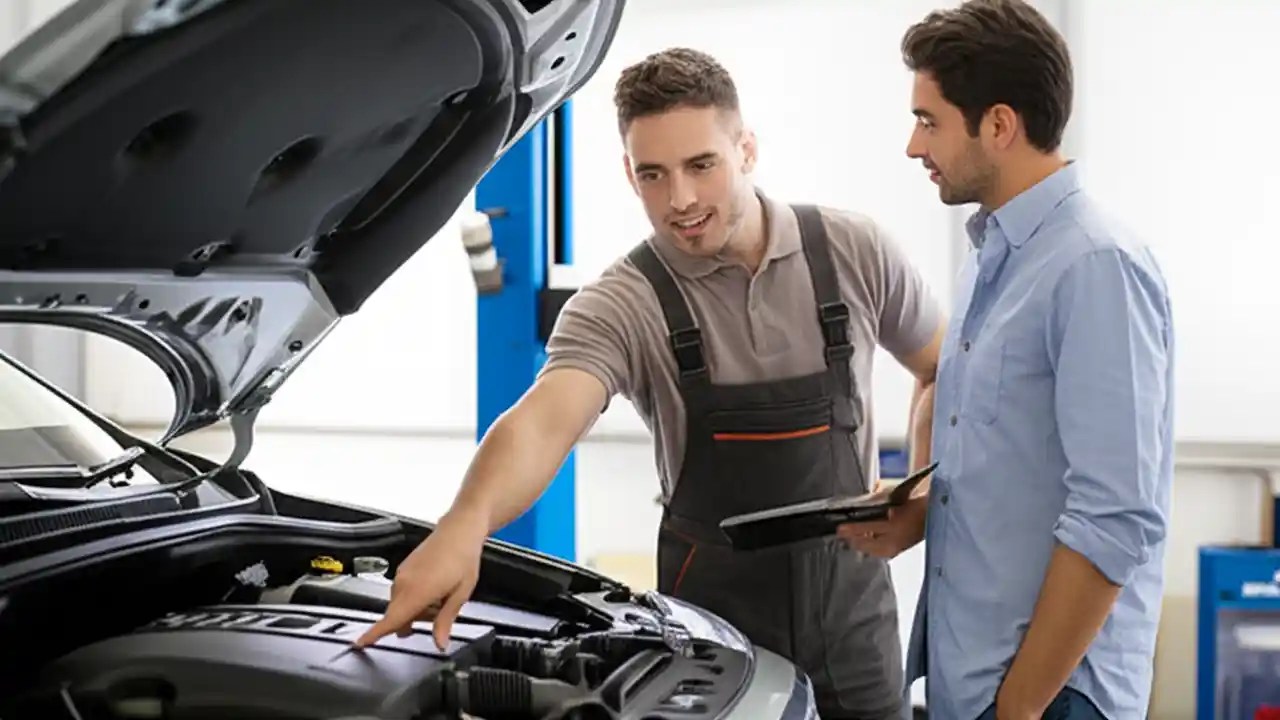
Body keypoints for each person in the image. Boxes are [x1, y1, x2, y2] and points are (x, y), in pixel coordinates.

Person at [355, 47, 945, 719]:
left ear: (746, 149)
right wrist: (464, 525)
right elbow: (544, 421)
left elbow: (941, 368)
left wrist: (922, 490)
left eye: (701, 166)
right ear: (629, 176)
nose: (680, 200)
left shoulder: (853, 252)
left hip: (857, 630)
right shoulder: (625, 304)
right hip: (718, 645)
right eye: (653, 175)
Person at [841, 1, 1175, 719]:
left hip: (1051, 697)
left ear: (998, 125)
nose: (912, 145)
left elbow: (1115, 518)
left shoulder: (1095, 266)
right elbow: (1015, 458)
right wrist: (925, 510)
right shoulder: (993, 256)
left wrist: (1020, 706)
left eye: (928, 121)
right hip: (977, 681)